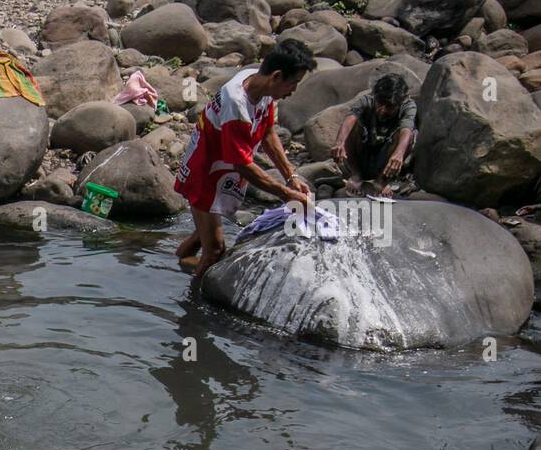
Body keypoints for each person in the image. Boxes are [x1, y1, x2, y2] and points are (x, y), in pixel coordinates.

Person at [173, 39, 317, 280]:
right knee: (215, 250)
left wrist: (290, 176)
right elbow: (242, 164)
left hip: (223, 169)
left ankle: (177, 266)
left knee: (203, 235)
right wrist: (285, 194)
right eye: (293, 83)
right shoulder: (237, 104)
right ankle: (192, 308)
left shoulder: (260, 85)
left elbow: (268, 132)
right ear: (277, 76)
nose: (293, 91)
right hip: (206, 172)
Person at [331, 73, 417, 198]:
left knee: (409, 135)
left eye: (389, 106)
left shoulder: (408, 106)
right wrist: (340, 142)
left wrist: (399, 153)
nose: (382, 110)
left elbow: (406, 128)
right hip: (362, 156)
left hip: (386, 162)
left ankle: (381, 180)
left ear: (400, 102)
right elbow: (351, 116)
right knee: (351, 125)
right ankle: (356, 175)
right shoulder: (367, 100)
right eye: (380, 103)